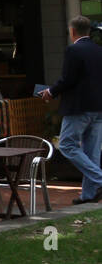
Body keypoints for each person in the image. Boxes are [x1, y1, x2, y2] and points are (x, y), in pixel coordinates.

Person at [39, 14, 102, 204]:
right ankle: (89, 195)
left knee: (66, 144)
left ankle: (98, 179)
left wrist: (50, 91)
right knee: (92, 152)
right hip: (98, 107)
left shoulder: (73, 50)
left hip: (78, 107)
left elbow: (68, 79)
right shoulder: (99, 50)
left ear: (72, 31)